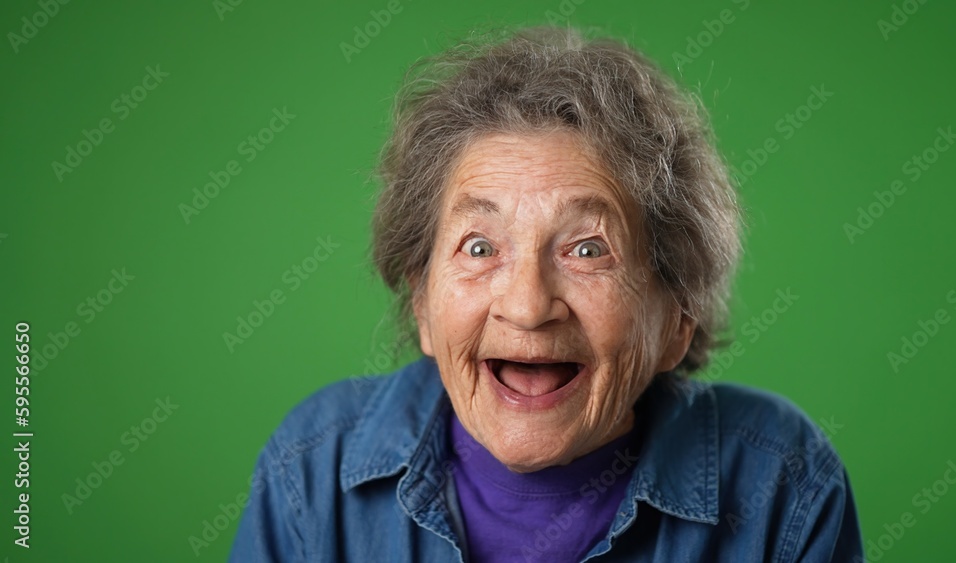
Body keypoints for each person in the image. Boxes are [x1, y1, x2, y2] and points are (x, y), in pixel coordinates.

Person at [229, 26, 862, 562]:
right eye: (480, 248)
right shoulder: (312, 468)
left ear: (676, 320)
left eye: (587, 250)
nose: (528, 307)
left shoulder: (783, 483)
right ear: (421, 304)